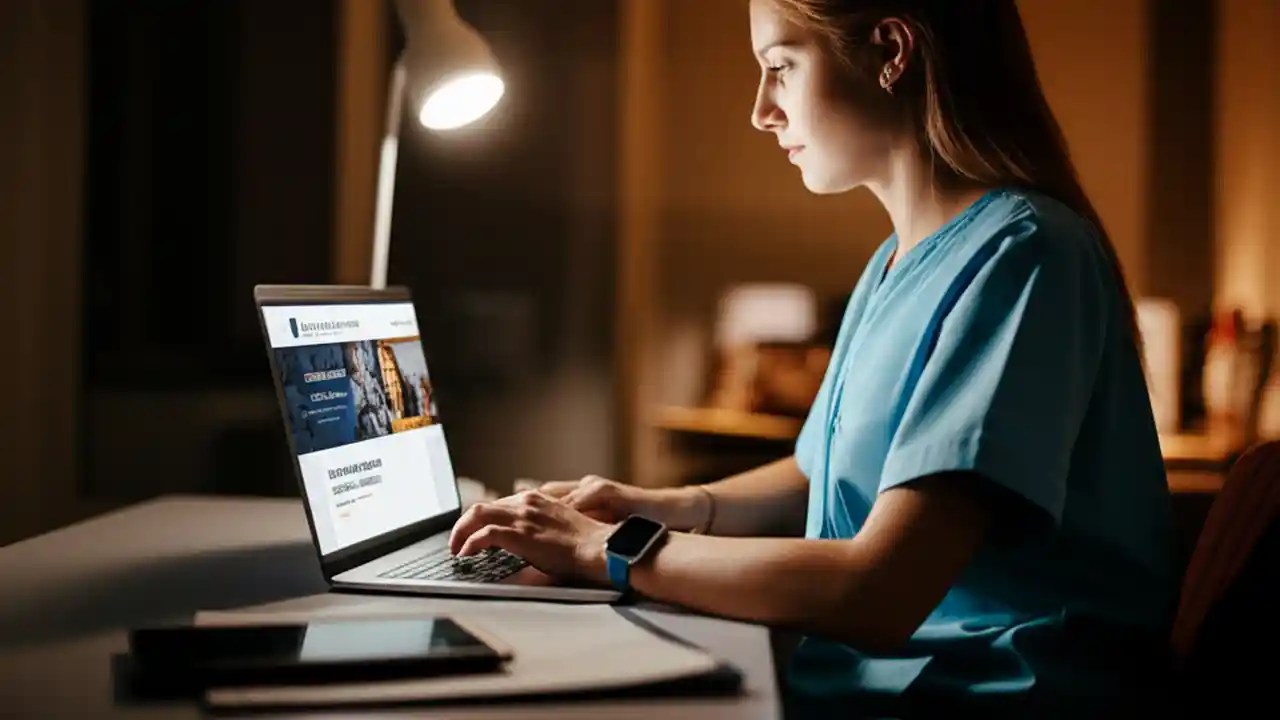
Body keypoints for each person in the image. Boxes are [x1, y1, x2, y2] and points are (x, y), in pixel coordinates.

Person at [449, 0, 1175, 714]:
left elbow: (880, 589)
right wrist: (662, 505)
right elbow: (815, 475)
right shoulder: (893, 262)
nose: (762, 110)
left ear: (893, 52)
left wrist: (606, 548)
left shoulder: (1027, 255)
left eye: (781, 67)